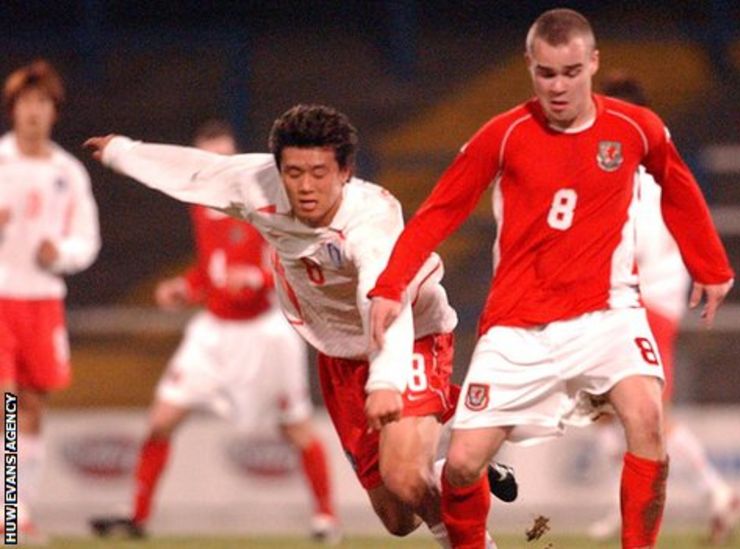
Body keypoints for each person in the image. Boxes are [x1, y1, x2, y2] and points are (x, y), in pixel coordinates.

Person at [368, 8, 734, 549]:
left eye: (569, 72)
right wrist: (390, 284)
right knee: (464, 464)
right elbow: (442, 209)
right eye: (545, 73)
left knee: (647, 419)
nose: (557, 86)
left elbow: (677, 184)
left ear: (593, 64)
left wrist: (711, 265)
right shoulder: (505, 134)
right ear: (529, 67)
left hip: (608, 314)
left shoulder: (635, 127)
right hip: (517, 328)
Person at [84, 104, 514, 548]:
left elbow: (385, 302)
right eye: (294, 173)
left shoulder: (371, 219)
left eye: (318, 172)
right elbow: (199, 173)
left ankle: (469, 522)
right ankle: (449, 464)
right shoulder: (259, 186)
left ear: (344, 170)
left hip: (408, 334)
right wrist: (123, 153)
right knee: (397, 517)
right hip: (338, 352)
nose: (305, 187)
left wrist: (386, 380)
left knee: (405, 476)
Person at [89, 120, 340, 542]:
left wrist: (259, 280)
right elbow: (212, 269)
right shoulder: (201, 206)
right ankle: (137, 515)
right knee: (160, 421)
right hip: (214, 330)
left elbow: (301, 258)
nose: (218, 169)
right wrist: (185, 287)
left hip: (264, 331)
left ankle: (326, 519)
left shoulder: (267, 198)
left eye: (225, 159)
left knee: (294, 427)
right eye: (210, 161)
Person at [583, 73, 740, 545]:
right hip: (642, 299)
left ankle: (719, 493)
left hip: (641, 300)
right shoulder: (648, 166)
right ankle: (635, 501)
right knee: (602, 409)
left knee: (646, 412)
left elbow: (635, 246)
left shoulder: (633, 171)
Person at [0, 59, 101, 543]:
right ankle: (8, 510)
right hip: (1, 298)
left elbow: (87, 241)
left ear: (54, 112)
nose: (32, 112)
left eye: (41, 103)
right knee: (8, 403)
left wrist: (59, 253)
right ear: (13, 109)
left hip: (42, 302)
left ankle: (18, 512)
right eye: (25, 103)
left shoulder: (69, 172)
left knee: (33, 406)